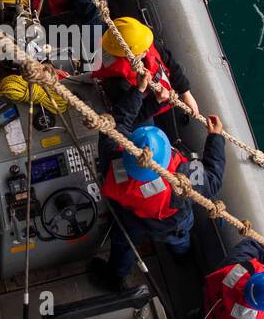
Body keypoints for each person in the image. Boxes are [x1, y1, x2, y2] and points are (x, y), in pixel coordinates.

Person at [90, 116, 225, 291]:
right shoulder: (182, 175)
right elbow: (213, 180)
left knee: (124, 242)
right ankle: (182, 257)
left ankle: (116, 276)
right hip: (172, 223)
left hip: (135, 218)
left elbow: (112, 130)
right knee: (180, 238)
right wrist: (215, 138)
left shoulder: (113, 162)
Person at [90, 16, 199, 126]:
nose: (147, 49)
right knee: (144, 127)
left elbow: (169, 61)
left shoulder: (142, 42)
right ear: (129, 54)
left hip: (162, 92)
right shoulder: (117, 82)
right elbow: (131, 115)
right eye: (142, 49)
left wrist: (185, 92)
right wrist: (156, 102)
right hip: (143, 104)